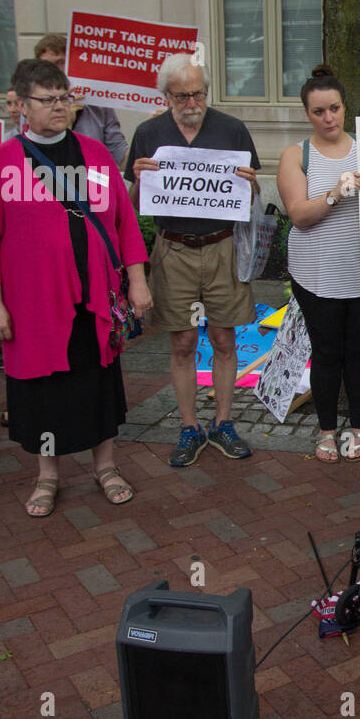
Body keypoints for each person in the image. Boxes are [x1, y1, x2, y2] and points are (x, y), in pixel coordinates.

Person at [0, 59, 151, 516]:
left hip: (96, 297)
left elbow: (124, 224)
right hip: (32, 305)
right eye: (47, 100)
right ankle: (47, 476)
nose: (59, 108)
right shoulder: (0, 163)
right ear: (21, 106)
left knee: (97, 380)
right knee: (42, 389)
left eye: (64, 98)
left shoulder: (94, 154)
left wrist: (138, 280)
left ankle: (105, 466)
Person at [127, 53, 261, 467]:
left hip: (222, 245)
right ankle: (188, 426)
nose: (192, 103)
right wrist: (136, 177)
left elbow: (251, 198)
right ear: (167, 96)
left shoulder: (232, 129)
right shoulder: (149, 133)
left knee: (224, 337)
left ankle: (223, 422)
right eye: (183, 95)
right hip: (172, 248)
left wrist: (252, 185)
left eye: (198, 93)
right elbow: (130, 204)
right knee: (182, 340)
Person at [276, 65, 360, 462]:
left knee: (359, 351)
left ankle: (358, 429)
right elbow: (298, 214)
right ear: (306, 114)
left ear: (345, 107)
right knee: (326, 353)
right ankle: (327, 430)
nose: (328, 118)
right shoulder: (296, 155)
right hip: (317, 275)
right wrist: (335, 192)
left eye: (334, 108)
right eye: (318, 111)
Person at [33, 34, 128, 167]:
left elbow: (119, 154)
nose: (57, 70)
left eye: (61, 62)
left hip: (93, 182)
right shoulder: (33, 105)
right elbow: (34, 154)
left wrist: (151, 129)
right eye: (48, 65)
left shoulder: (97, 103)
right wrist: (64, 123)